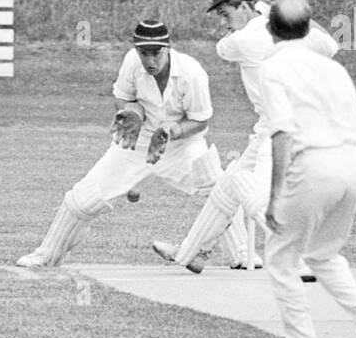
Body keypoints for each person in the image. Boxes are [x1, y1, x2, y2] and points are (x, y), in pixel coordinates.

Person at [152, 0, 334, 277]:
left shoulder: (244, 39)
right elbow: (329, 45)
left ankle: (299, 260)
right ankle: (191, 254)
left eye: (226, 15)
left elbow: (223, 48)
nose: (223, 24)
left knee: (256, 196)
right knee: (226, 187)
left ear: (245, 7)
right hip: (281, 125)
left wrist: (267, 9)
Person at [16, 20, 219, 268]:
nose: (150, 61)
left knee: (217, 187)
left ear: (168, 48)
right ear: (136, 50)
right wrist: (133, 113)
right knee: (83, 199)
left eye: (156, 53)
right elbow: (122, 98)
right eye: (144, 53)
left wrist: (171, 131)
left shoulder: (192, 73)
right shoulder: (132, 62)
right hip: (139, 140)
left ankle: (238, 254)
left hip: (182, 144)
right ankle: (47, 255)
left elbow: (200, 120)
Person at [256, 0, 356, 338]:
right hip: (351, 163)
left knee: (281, 258)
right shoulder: (332, 68)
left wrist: (274, 197)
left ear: (270, 29)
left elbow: (282, 132)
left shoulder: (272, 67)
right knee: (322, 253)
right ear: (308, 26)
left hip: (314, 164)